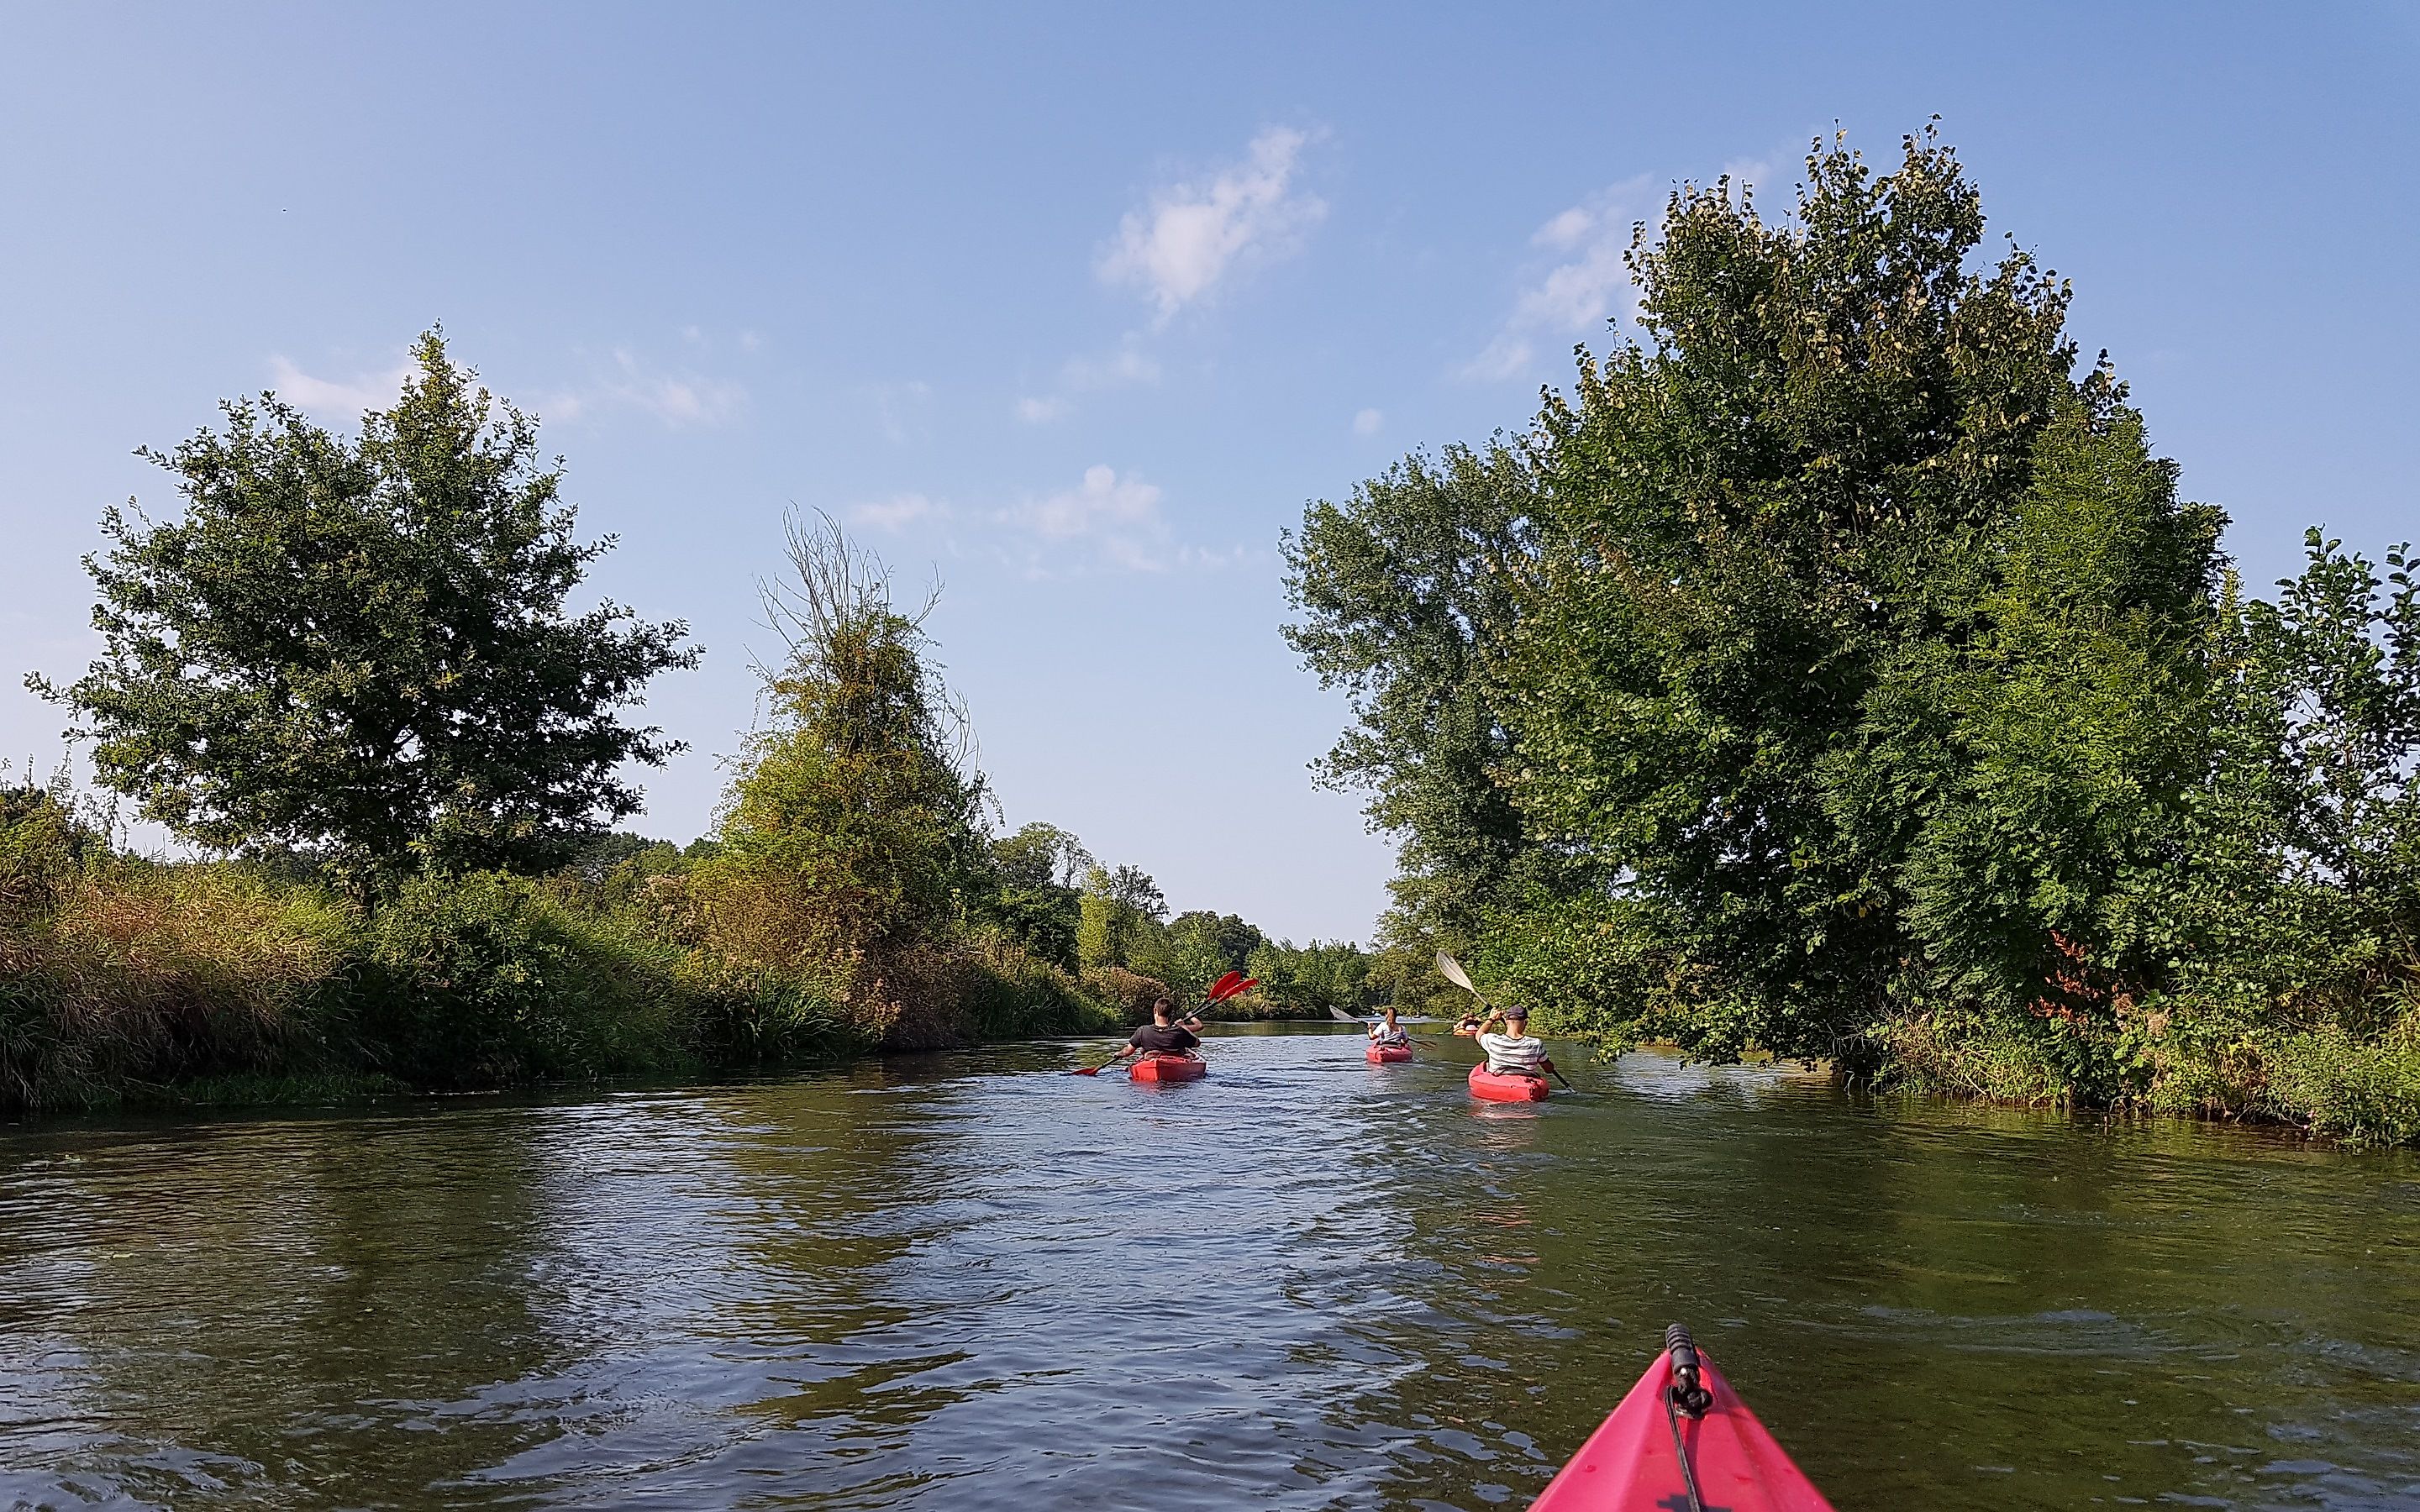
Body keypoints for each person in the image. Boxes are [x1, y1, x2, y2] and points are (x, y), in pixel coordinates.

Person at [1455, 1004, 1549, 1081]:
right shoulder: (1536, 1044)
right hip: (1526, 1082)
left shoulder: (1493, 1040)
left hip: (1500, 1081)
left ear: (1507, 1021)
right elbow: (1548, 1069)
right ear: (1525, 1022)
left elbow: (1479, 1034)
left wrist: (1491, 1019)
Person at [1116, 996, 1203, 1066]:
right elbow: (1197, 1043)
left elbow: (1127, 1051)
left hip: (1150, 1062)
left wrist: (1119, 1054)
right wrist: (1184, 1027)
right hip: (1174, 1065)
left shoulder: (1142, 1031)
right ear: (1170, 1013)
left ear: (1155, 1011)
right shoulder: (1180, 1031)